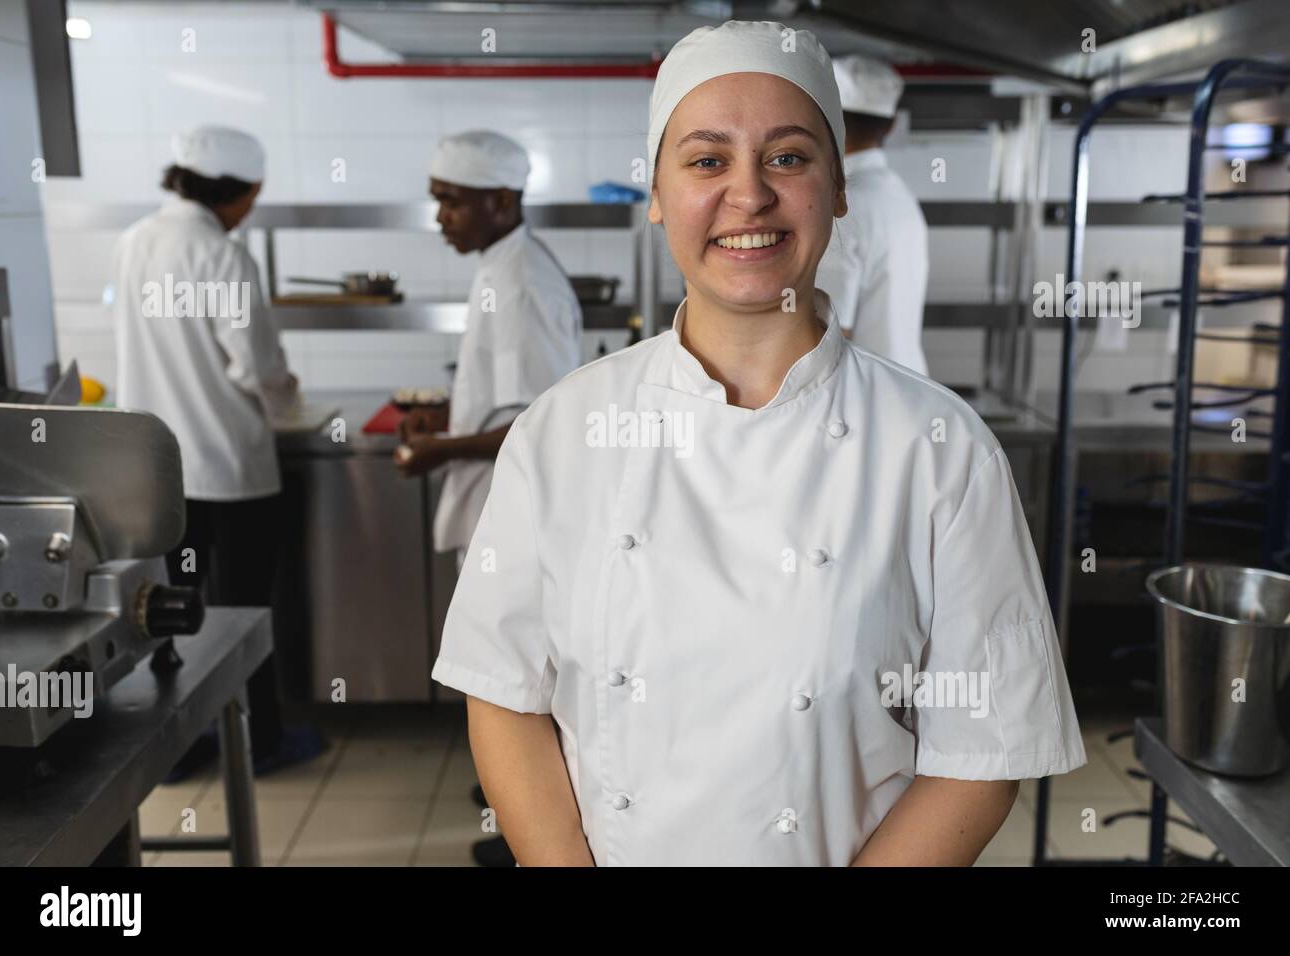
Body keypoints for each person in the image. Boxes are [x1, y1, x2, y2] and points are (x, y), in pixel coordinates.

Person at [429, 20, 1086, 866]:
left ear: (839, 187)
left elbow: (981, 753)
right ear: (659, 192)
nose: (748, 196)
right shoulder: (561, 431)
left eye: (787, 157)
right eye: (707, 161)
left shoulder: (940, 450)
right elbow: (504, 692)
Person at [393, 130, 583, 865]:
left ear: (501, 200)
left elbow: (536, 422)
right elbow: (504, 403)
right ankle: (514, 800)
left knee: (524, 675)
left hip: (523, 518)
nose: (441, 217)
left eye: (451, 202)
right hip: (500, 511)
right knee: (509, 675)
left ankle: (534, 832)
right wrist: (449, 421)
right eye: (437, 200)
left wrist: (437, 450)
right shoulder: (501, 267)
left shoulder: (523, 280)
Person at [112, 126, 322, 777]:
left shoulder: (134, 242)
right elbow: (255, 365)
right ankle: (260, 743)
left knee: (164, 614)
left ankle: (174, 751)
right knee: (242, 613)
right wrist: (290, 408)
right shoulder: (222, 255)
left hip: (154, 470)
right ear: (240, 192)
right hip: (227, 469)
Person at [814, 54, 930, 375]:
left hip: (865, 400)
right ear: (892, 125)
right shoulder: (899, 196)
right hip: (907, 384)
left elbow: (829, 335)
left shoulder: (842, 208)